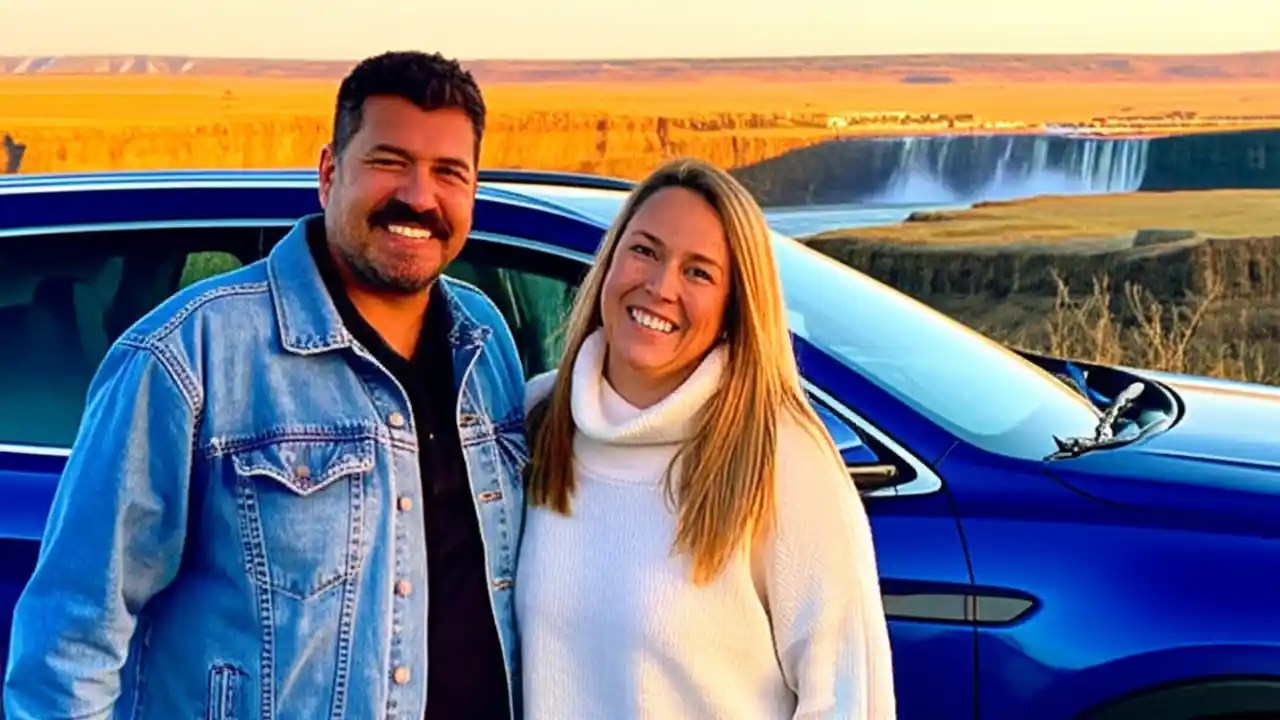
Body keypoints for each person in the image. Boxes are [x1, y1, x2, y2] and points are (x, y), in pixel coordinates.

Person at [4, 51, 526, 720]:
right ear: (329, 172)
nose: (419, 197)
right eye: (390, 161)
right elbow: (70, 642)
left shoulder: (483, 344)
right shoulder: (189, 357)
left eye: (448, 172)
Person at [517, 157, 896, 719]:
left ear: (733, 307)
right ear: (609, 261)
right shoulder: (540, 418)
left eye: (699, 272)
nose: (659, 287)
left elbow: (847, 696)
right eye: (644, 250)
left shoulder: (778, 454)